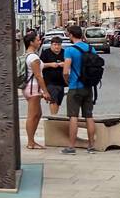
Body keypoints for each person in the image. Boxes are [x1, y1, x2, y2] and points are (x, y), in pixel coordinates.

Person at [60, 24, 96, 155]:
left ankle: (71, 146)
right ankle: (91, 145)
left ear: (71, 35)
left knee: (73, 116)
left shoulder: (70, 50)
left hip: (75, 87)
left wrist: (67, 81)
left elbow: (65, 71)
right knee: (89, 116)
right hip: (88, 86)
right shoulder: (91, 49)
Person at [21, 31, 48, 149]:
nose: (40, 41)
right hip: (33, 88)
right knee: (32, 115)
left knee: (38, 114)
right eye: (37, 40)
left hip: (29, 87)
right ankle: (31, 142)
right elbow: (38, 75)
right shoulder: (34, 57)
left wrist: (53, 64)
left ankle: (32, 141)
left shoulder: (27, 55)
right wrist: (45, 91)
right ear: (31, 42)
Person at [39, 36, 66, 114]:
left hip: (61, 82)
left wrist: (64, 64)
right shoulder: (46, 53)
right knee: (53, 100)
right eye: (55, 44)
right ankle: (53, 117)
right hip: (49, 81)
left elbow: (70, 63)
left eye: (59, 45)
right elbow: (40, 65)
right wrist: (50, 64)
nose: (57, 47)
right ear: (51, 45)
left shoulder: (64, 53)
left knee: (58, 101)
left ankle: (55, 116)